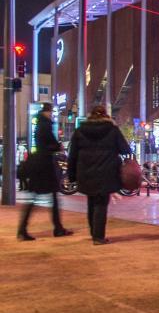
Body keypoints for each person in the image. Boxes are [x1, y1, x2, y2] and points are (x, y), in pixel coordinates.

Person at [67, 106, 131, 245]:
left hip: (86, 172)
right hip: (106, 172)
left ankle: (93, 232)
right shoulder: (112, 130)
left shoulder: (80, 131)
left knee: (91, 202)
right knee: (101, 204)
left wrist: (71, 175)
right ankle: (98, 236)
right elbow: (125, 149)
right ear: (105, 116)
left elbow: (72, 156)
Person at [17, 103, 72, 241]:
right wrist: (57, 146)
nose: (52, 114)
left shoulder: (40, 124)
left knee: (40, 197)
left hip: (40, 164)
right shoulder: (45, 125)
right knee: (48, 197)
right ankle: (54, 228)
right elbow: (50, 144)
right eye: (51, 112)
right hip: (44, 165)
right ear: (47, 112)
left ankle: (25, 229)